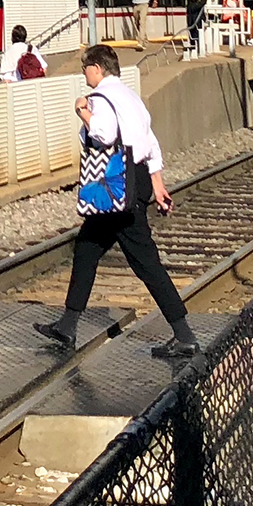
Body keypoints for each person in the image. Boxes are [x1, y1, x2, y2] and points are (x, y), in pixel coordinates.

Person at [34, 43, 198, 359]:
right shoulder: (131, 97)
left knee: (145, 262)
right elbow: (151, 143)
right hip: (135, 180)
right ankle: (67, 325)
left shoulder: (98, 99)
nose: (84, 74)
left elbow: (104, 134)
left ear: (97, 69)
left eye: (85, 68)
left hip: (117, 187)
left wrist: (82, 111)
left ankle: (184, 335)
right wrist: (158, 185)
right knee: (87, 247)